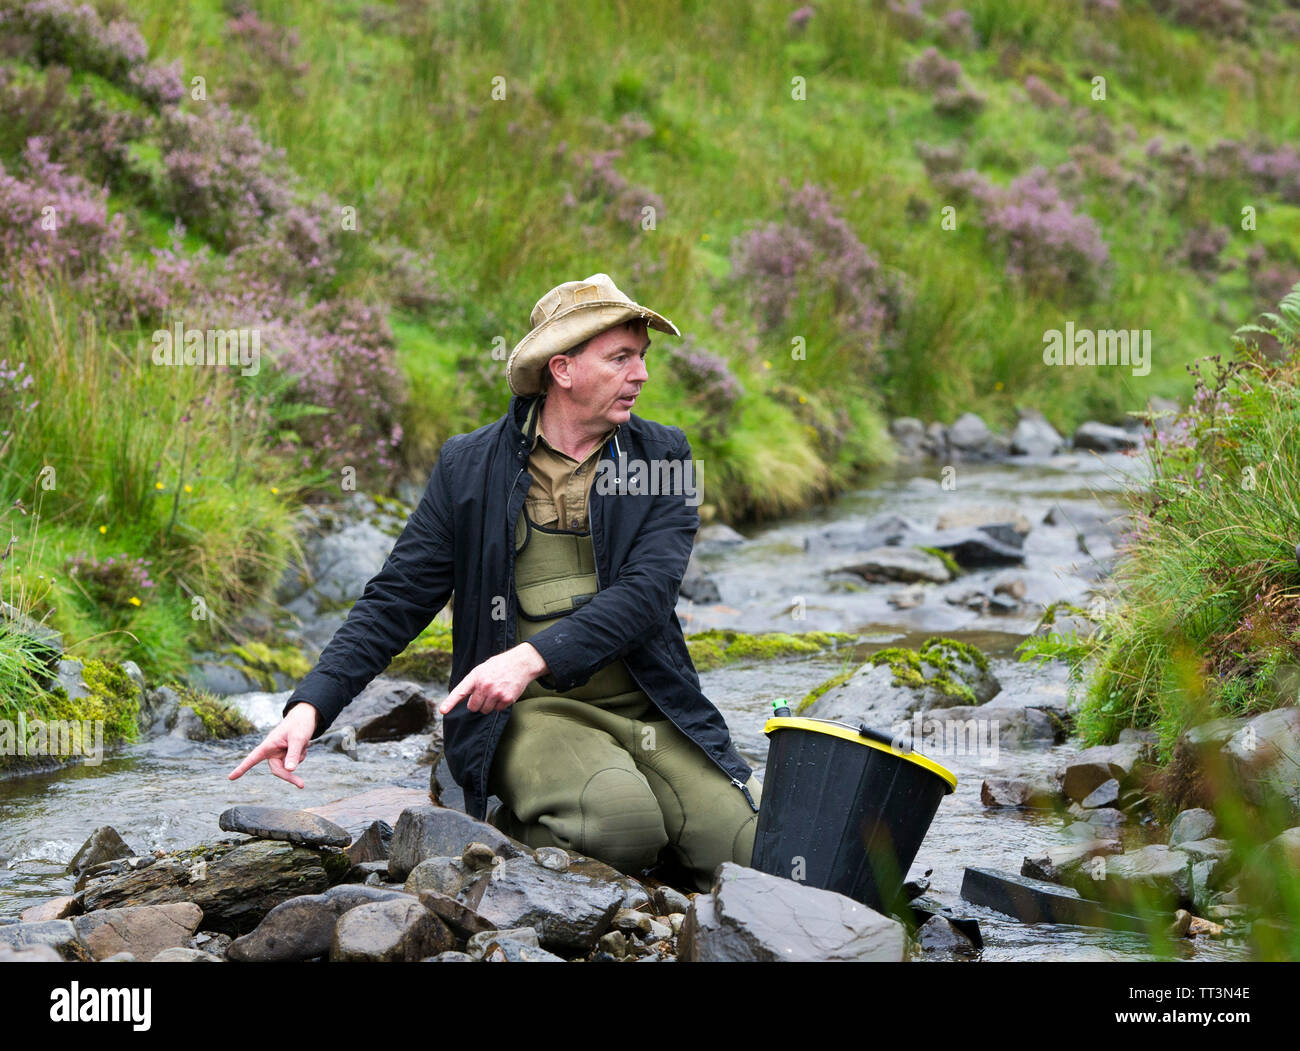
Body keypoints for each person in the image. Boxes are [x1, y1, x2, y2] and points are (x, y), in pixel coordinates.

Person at [229, 272, 761, 891]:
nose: (641, 374)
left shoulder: (664, 457)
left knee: (750, 850)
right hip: (525, 712)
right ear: (561, 369)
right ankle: (498, 832)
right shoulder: (469, 466)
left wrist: (529, 655)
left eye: (642, 358)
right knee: (618, 823)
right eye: (621, 358)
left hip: (650, 705)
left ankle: (633, 833)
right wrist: (310, 707)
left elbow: (646, 595)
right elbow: (397, 600)